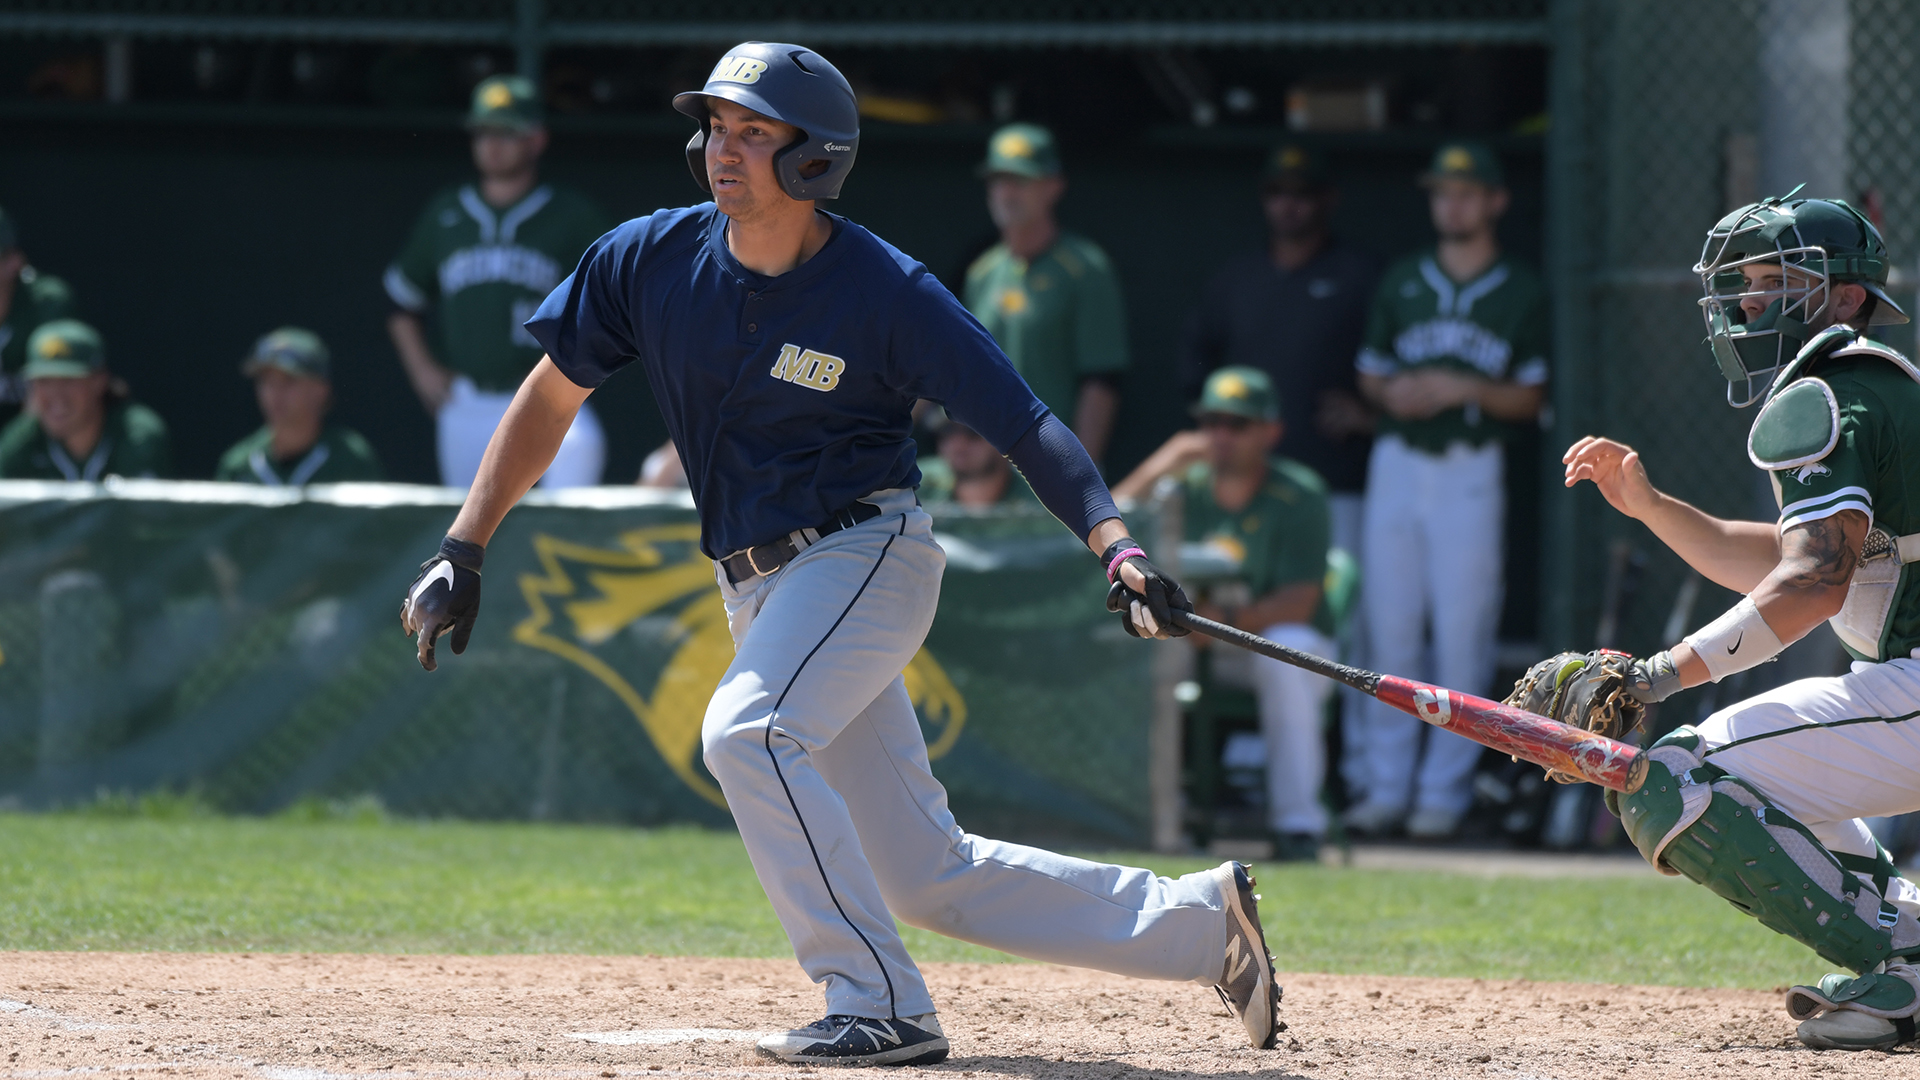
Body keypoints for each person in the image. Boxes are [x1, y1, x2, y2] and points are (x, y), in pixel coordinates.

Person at [397, 42, 1282, 1067]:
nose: (724, 150)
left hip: (866, 554)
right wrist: (465, 545)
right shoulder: (646, 258)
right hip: (756, 588)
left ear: (814, 159)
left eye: (755, 133)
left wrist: (1117, 548)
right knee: (926, 875)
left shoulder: (883, 289)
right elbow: (551, 399)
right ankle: (1202, 926)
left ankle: (878, 1004)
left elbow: (1023, 422)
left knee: (748, 733)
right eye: (717, 128)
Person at [1551, 195, 1920, 1052]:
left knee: (1678, 775)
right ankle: (1905, 942)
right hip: (1906, 684)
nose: (1751, 300)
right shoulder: (1870, 386)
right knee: (1753, 782)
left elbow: (1818, 580)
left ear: (1846, 297)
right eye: (1746, 282)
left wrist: (1657, 674)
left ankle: (1897, 965)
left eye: (1778, 279)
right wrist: (1649, 507)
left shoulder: (1831, 395)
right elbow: (1784, 556)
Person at [1346, 141, 1549, 840]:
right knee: (1389, 628)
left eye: (1466, 192)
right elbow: (1369, 372)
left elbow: (1530, 397)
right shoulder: (1405, 279)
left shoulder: (1520, 287)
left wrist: (1464, 387)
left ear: (1495, 200)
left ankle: (1443, 793)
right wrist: (1391, 392)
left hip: (1471, 464)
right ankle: (1382, 788)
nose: (1451, 204)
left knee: (1462, 633)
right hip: (1398, 460)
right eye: (1442, 192)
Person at [1116, 367, 1334, 861]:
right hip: (1194, 636)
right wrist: (1163, 462)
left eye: (1237, 424)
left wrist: (1210, 621)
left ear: (1270, 432)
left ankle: (1298, 827)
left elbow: (1297, 602)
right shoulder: (1181, 486)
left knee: (1288, 657)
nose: (1220, 435)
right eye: (1211, 422)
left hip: (1271, 644)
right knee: (1130, 656)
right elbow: (1104, 527)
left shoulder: (1300, 493)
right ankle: (1150, 814)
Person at [384, 74, 614, 488]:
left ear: (536, 139)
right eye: (483, 132)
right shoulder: (447, 214)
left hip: (549, 392)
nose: (492, 144)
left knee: (573, 502)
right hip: (468, 399)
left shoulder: (570, 215)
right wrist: (423, 370)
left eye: (506, 132)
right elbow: (403, 301)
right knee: (469, 534)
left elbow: (615, 299)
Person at [1180, 143, 1379, 553]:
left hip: (1335, 482)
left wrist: (1370, 415)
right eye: (1277, 192)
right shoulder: (1237, 279)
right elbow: (1195, 364)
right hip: (1246, 487)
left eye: (1302, 193)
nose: (1288, 205)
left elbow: (1394, 363)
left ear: (1328, 198)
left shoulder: (1361, 276)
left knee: (1336, 607)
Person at [962, 123, 1127, 466]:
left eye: (1020, 181)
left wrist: (1077, 473)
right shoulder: (982, 273)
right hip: (987, 473)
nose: (1007, 193)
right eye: (998, 181)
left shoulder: (1085, 268)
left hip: (1051, 464)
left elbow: (1101, 380)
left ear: (1054, 187)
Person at [0, 319, 171, 481]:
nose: (56, 395)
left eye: (69, 380)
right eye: (44, 381)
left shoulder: (136, 436)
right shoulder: (21, 444)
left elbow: (144, 511)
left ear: (99, 381)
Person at [214, 327, 384, 485]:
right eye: (266, 382)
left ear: (321, 390)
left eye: (288, 380)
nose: (275, 394)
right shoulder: (237, 466)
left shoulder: (351, 460)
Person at [0, 204, 79, 412]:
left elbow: (51, 404)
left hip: (31, 438)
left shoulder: (46, 304)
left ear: (14, 262)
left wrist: (7, 446)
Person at [916, 410, 1035, 506]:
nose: (959, 443)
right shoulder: (918, 482)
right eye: (947, 430)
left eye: (973, 430)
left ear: (1006, 440)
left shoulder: (1038, 497)